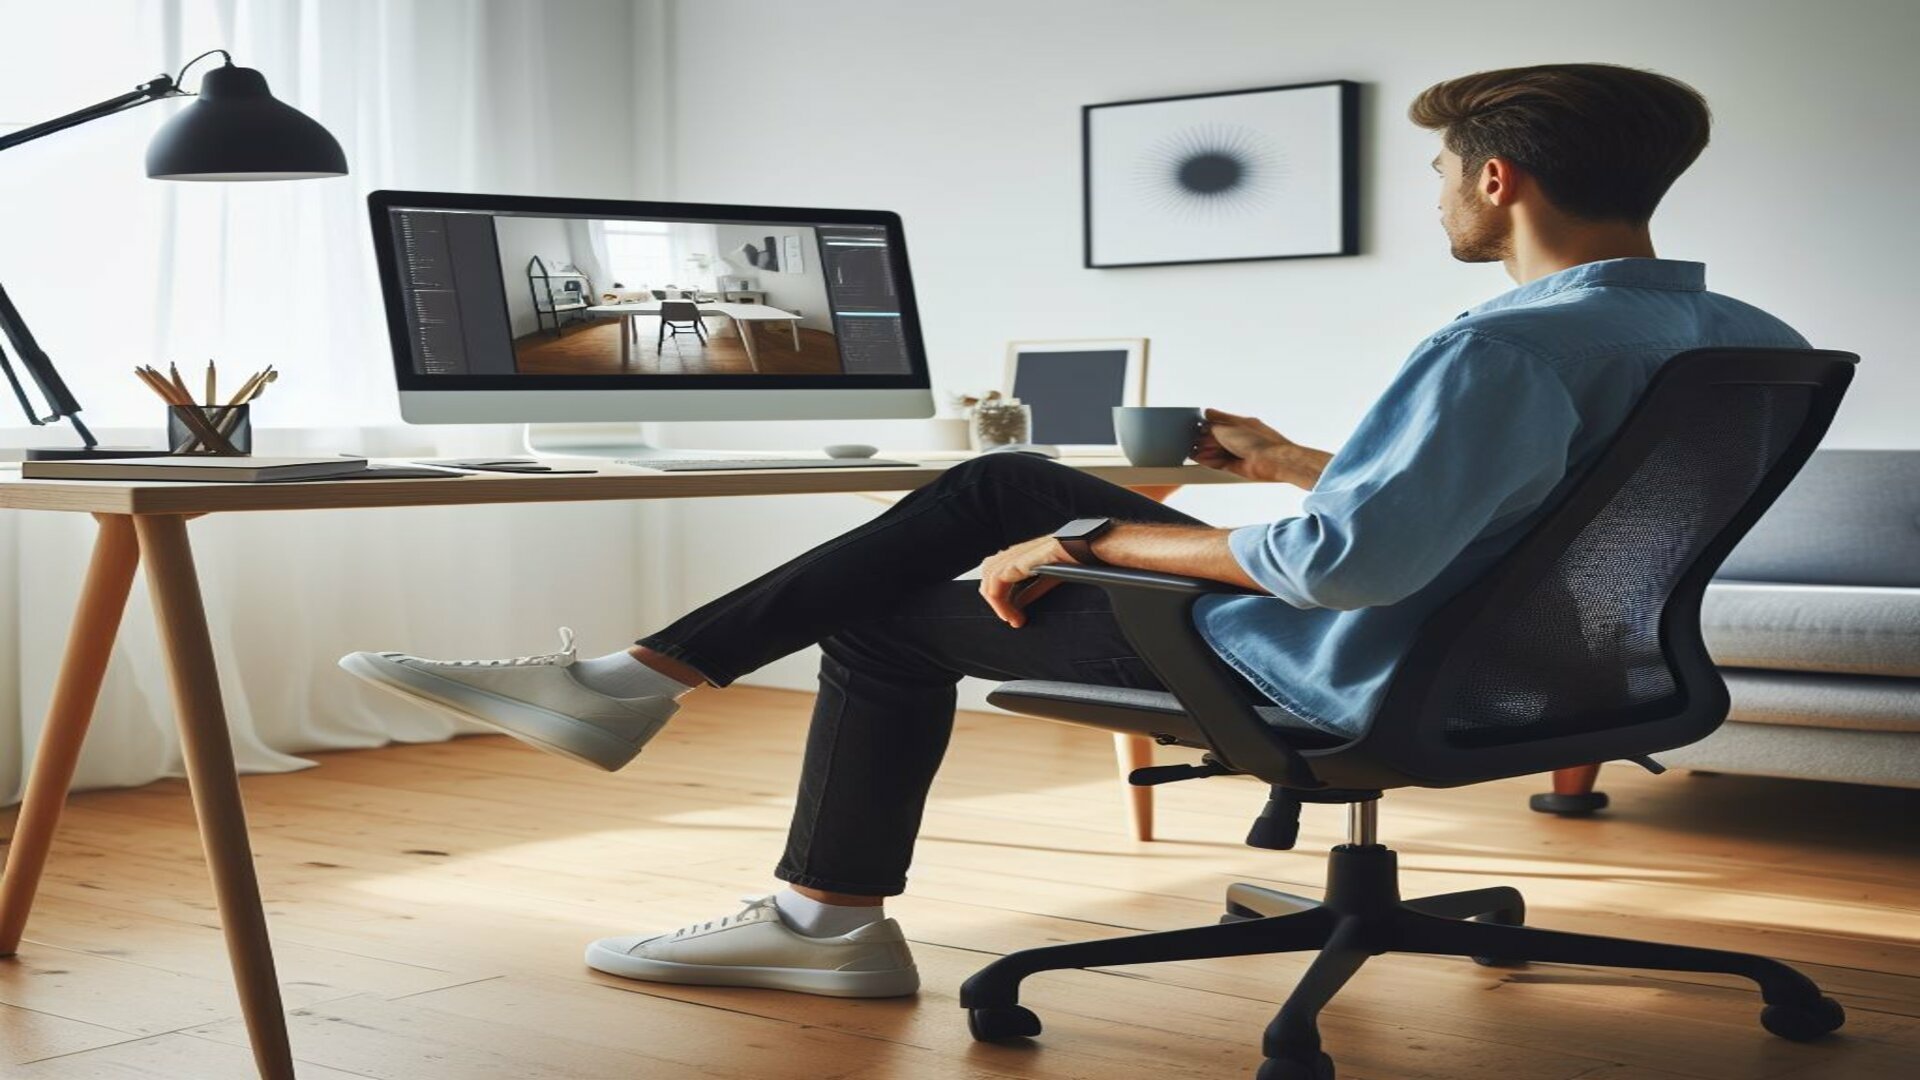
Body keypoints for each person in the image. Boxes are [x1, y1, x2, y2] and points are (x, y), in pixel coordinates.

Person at [341, 62, 1809, 999]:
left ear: (1499, 180)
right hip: (1537, 665)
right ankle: (634, 690)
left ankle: (809, 909)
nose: (1437, 195)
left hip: (1361, 661)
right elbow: (1544, 511)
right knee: (1007, 485)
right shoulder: (1735, 334)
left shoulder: (1499, 345)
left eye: (1440, 172)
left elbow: (1345, 566)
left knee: (924, 579)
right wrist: (1304, 457)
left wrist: (1089, 551)